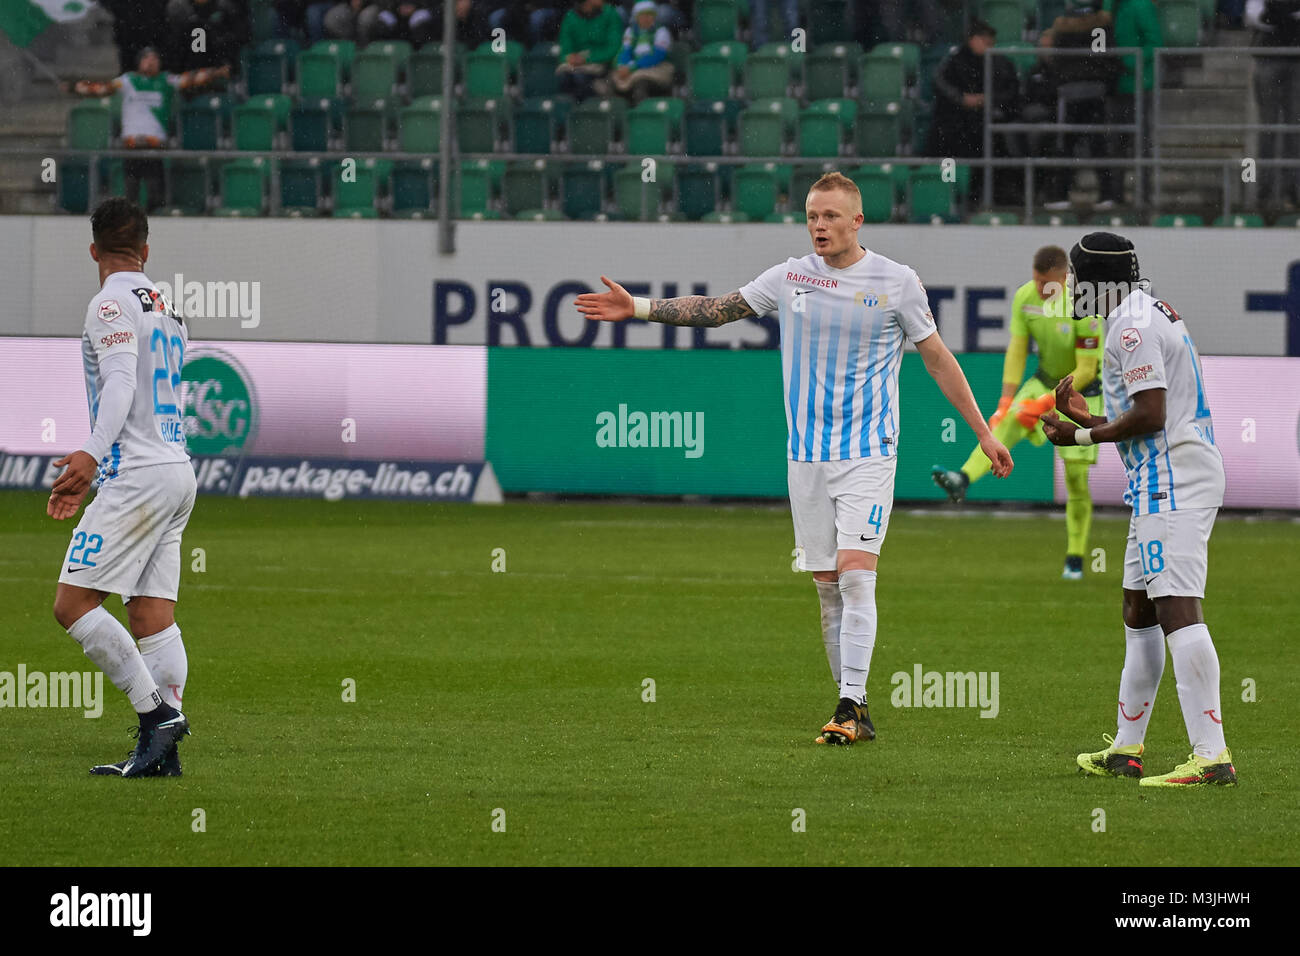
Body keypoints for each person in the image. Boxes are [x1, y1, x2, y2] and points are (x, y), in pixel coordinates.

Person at [576, 172, 1013, 746]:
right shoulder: (789, 276)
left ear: (857, 221)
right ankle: (855, 705)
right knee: (827, 585)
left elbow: (936, 359)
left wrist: (982, 432)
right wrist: (638, 307)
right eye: (811, 216)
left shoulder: (897, 282)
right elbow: (718, 309)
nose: (819, 226)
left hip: (868, 452)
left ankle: (849, 704)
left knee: (858, 579)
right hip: (805, 456)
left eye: (831, 216)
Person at [1041, 233, 1236, 787]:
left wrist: (1083, 439)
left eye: (1078, 278)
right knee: (1139, 610)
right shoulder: (1147, 312)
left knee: (1176, 608)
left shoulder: (1130, 328)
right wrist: (1087, 417)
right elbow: (1144, 411)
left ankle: (1212, 757)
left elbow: (1151, 415)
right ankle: (1127, 750)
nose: (1074, 288)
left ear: (1098, 279)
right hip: (1159, 482)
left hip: (1173, 483)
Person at [49, 198, 195, 779]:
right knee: (151, 614)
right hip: (177, 469)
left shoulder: (108, 301)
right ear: (146, 250)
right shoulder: (167, 306)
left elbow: (118, 384)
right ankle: (164, 753)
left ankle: (155, 716)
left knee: (72, 603)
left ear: (94, 252)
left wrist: (90, 450)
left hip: (135, 475)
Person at [932, 246, 1104, 580]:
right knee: (1004, 424)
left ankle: (1075, 556)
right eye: (1037, 281)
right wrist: (1005, 402)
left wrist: (1046, 404)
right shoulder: (1026, 297)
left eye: (1046, 283)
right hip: (1043, 381)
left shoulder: (1085, 306)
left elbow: (1086, 369)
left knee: (1075, 480)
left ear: (1064, 278)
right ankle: (963, 479)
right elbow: (1017, 350)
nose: (1040, 289)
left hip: (1083, 394)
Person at [67, 48, 231, 213]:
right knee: (130, 194)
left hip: (154, 145)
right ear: (139, 62)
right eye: (147, 58)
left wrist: (215, 73)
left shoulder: (166, 80)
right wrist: (74, 87)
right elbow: (101, 89)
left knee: (155, 192)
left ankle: (153, 224)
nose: (151, 61)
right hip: (132, 145)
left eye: (155, 58)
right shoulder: (127, 80)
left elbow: (190, 79)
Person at [926, 19, 1020, 205]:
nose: (988, 45)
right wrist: (962, 99)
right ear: (972, 40)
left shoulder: (999, 63)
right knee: (947, 152)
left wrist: (987, 100)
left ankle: (987, 197)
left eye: (990, 41)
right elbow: (940, 85)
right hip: (953, 125)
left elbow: (1011, 92)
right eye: (983, 40)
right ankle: (949, 194)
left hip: (985, 122)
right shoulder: (954, 61)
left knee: (995, 144)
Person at [1104, 0, 1162, 207]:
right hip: (1116, 84)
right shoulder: (1109, 7)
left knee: (1141, 142)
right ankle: (1115, 195)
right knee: (1115, 143)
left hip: (1138, 84)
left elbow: (1154, 41)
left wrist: (1128, 61)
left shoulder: (1140, 6)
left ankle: (1143, 195)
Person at [1246, 0, 1300, 211]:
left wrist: (1276, 14)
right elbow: (1254, 16)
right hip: (1268, 57)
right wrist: (1286, 15)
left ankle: (1292, 190)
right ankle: (1263, 191)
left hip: (1296, 59)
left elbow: (1266, 17)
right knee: (1267, 128)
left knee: (1294, 129)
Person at [555, 0, 624, 102]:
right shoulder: (570, 16)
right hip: (575, 64)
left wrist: (587, 59)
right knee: (564, 77)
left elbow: (613, 48)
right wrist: (569, 57)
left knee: (580, 78)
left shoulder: (611, 14)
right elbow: (564, 50)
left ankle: (587, 111)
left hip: (600, 65)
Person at [612, 1, 674, 104]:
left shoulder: (661, 32)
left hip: (654, 68)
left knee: (641, 85)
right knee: (612, 81)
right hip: (633, 68)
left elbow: (657, 56)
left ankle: (643, 114)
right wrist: (622, 66)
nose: (646, 19)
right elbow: (625, 52)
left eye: (649, 15)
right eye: (642, 15)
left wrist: (632, 68)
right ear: (636, 18)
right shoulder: (630, 32)